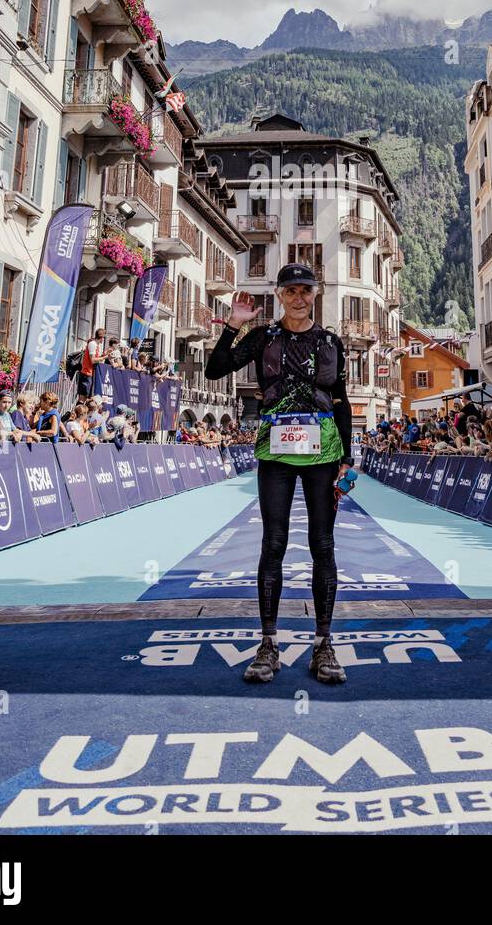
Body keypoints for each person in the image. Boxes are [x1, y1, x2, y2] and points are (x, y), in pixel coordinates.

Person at [204, 263, 353, 685]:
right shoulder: (264, 337)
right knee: (273, 544)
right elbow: (216, 368)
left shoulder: (330, 343)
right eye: (291, 291)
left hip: (323, 452)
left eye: (306, 290)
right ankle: (268, 645)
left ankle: (323, 644)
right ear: (279, 294)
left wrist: (349, 457)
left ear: (316, 293)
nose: (299, 298)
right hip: (276, 453)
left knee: (322, 545)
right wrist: (233, 325)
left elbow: (340, 401)